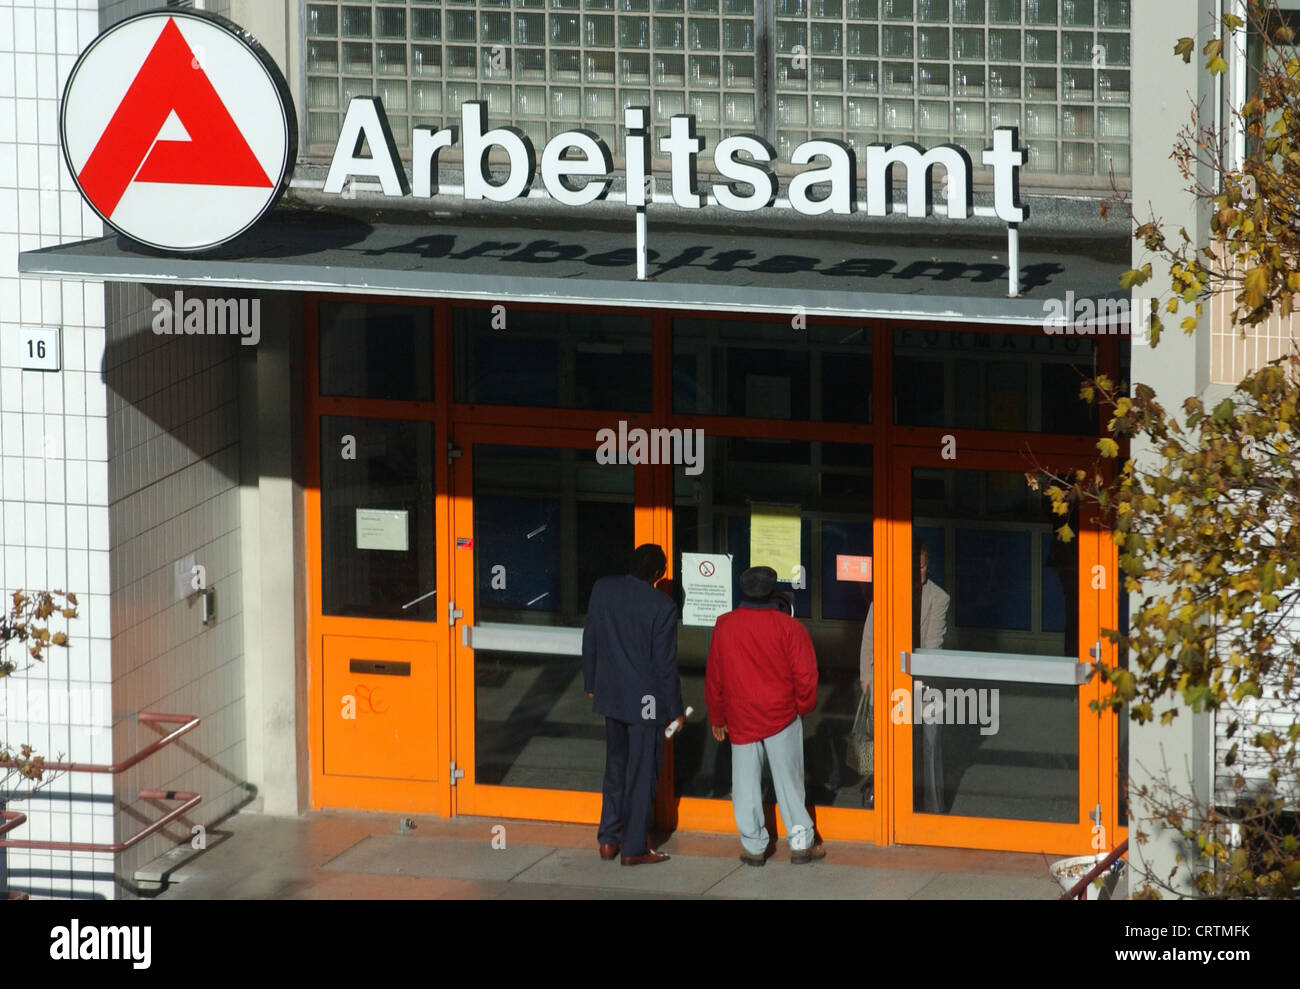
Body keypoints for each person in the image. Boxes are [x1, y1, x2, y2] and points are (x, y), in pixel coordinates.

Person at [705, 566, 822, 865]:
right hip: (782, 715)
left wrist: (717, 717)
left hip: (740, 717)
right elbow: (806, 675)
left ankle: (754, 847)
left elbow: (715, 676)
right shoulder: (789, 627)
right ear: (773, 592)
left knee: (744, 785)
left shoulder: (725, 624)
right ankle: (800, 844)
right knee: (789, 783)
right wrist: (803, 707)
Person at [582, 543, 685, 866]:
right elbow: (665, 665)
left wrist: (591, 684)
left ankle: (608, 840)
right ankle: (634, 847)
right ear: (659, 574)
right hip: (648, 702)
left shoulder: (603, 589)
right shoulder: (662, 606)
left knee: (615, 769)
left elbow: (591, 638)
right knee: (642, 774)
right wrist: (676, 710)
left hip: (611, 695)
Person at [860, 539, 950, 812]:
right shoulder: (887, 592)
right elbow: (870, 637)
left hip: (922, 681)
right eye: (912, 566)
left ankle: (931, 807)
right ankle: (884, 799)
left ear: (927, 566)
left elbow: (932, 645)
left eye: (921, 566)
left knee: (930, 737)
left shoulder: (938, 598)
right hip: (887, 678)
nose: (916, 571)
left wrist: (913, 685)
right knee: (884, 744)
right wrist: (867, 674)